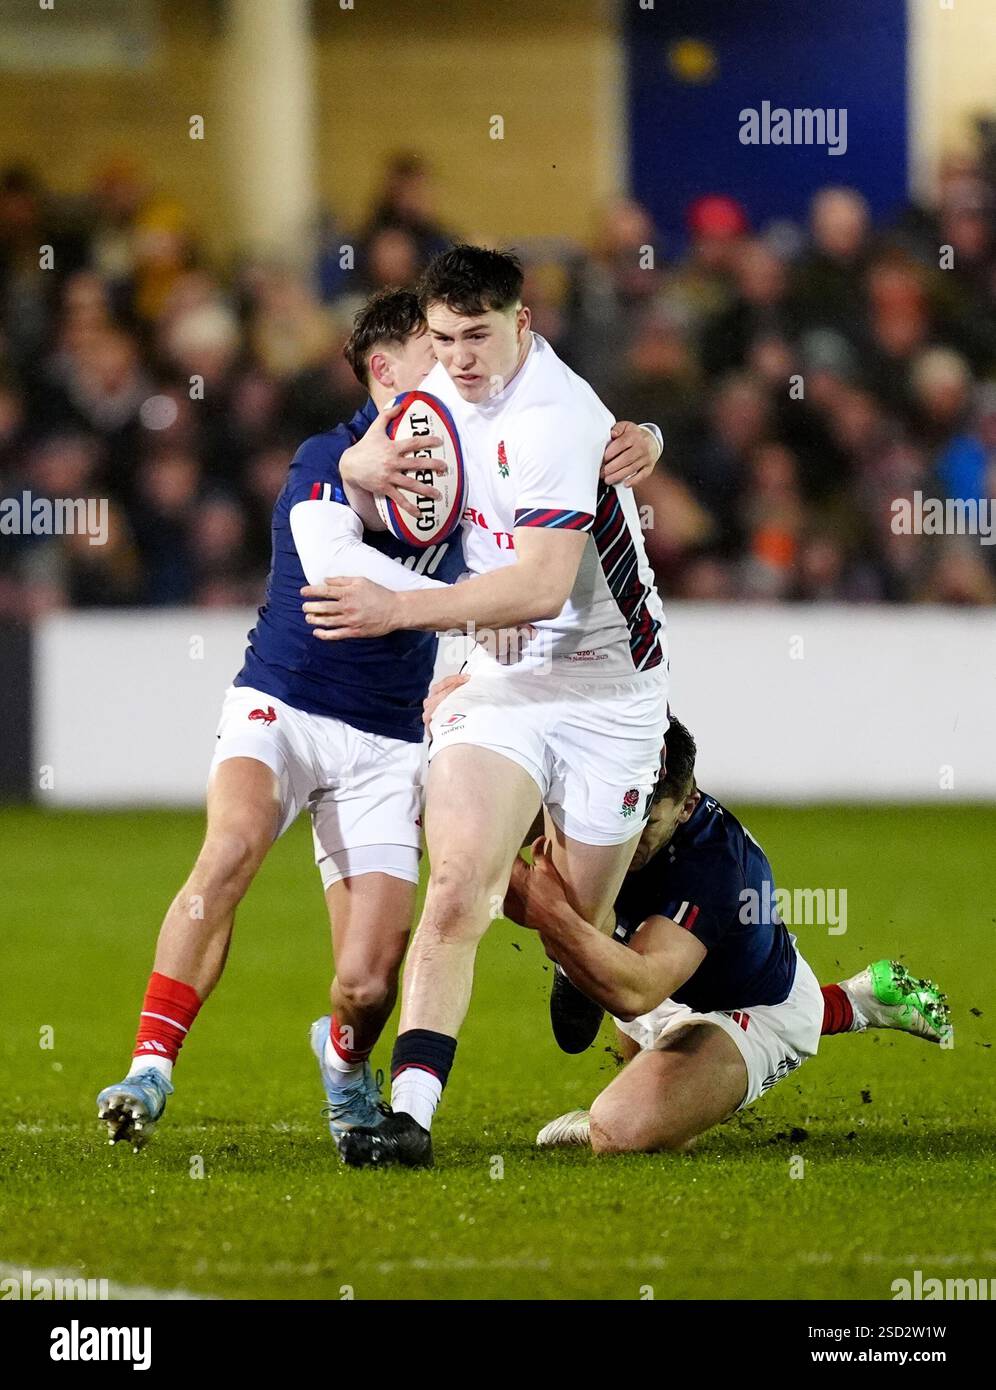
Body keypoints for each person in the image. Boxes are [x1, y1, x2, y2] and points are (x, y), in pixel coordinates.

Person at [95, 285, 663, 1149]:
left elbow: (553, 449)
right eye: (434, 355)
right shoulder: (328, 458)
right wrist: (485, 612)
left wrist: (646, 439)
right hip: (282, 704)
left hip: (389, 741)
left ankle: (347, 1061)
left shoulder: (470, 448)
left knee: (365, 983)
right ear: (383, 371)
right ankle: (150, 1067)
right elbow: (338, 576)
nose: (458, 371)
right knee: (231, 847)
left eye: (464, 350)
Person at [302, 247, 670, 1168]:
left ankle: (577, 963)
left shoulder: (558, 414)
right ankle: (411, 1117)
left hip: (607, 692)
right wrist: (355, 465)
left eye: (478, 336)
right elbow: (350, 459)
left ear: (523, 326)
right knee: (461, 885)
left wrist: (397, 610)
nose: (460, 360)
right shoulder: (434, 394)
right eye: (442, 339)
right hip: (499, 684)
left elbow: (542, 588)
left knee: (568, 922)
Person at [497, 715, 952, 1155]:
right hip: (658, 964)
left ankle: (853, 1004)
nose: (628, 839)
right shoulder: (611, 805)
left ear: (686, 807)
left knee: (619, 1129)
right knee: (600, 943)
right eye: (624, 818)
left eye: (649, 824)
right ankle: (855, 998)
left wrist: (552, 915)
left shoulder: (713, 867)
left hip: (743, 1007)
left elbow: (636, 991)